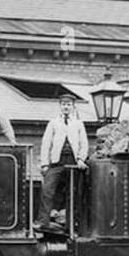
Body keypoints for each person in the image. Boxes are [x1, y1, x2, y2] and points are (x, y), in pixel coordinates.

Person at [37, 92, 88, 229]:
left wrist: (81, 159)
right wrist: (44, 164)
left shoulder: (78, 123)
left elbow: (84, 144)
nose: (66, 107)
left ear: (73, 106)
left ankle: (70, 225)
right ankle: (43, 222)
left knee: (72, 193)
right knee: (47, 190)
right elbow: (46, 144)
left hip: (73, 162)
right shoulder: (53, 123)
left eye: (69, 104)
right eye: (64, 104)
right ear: (60, 106)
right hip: (56, 162)